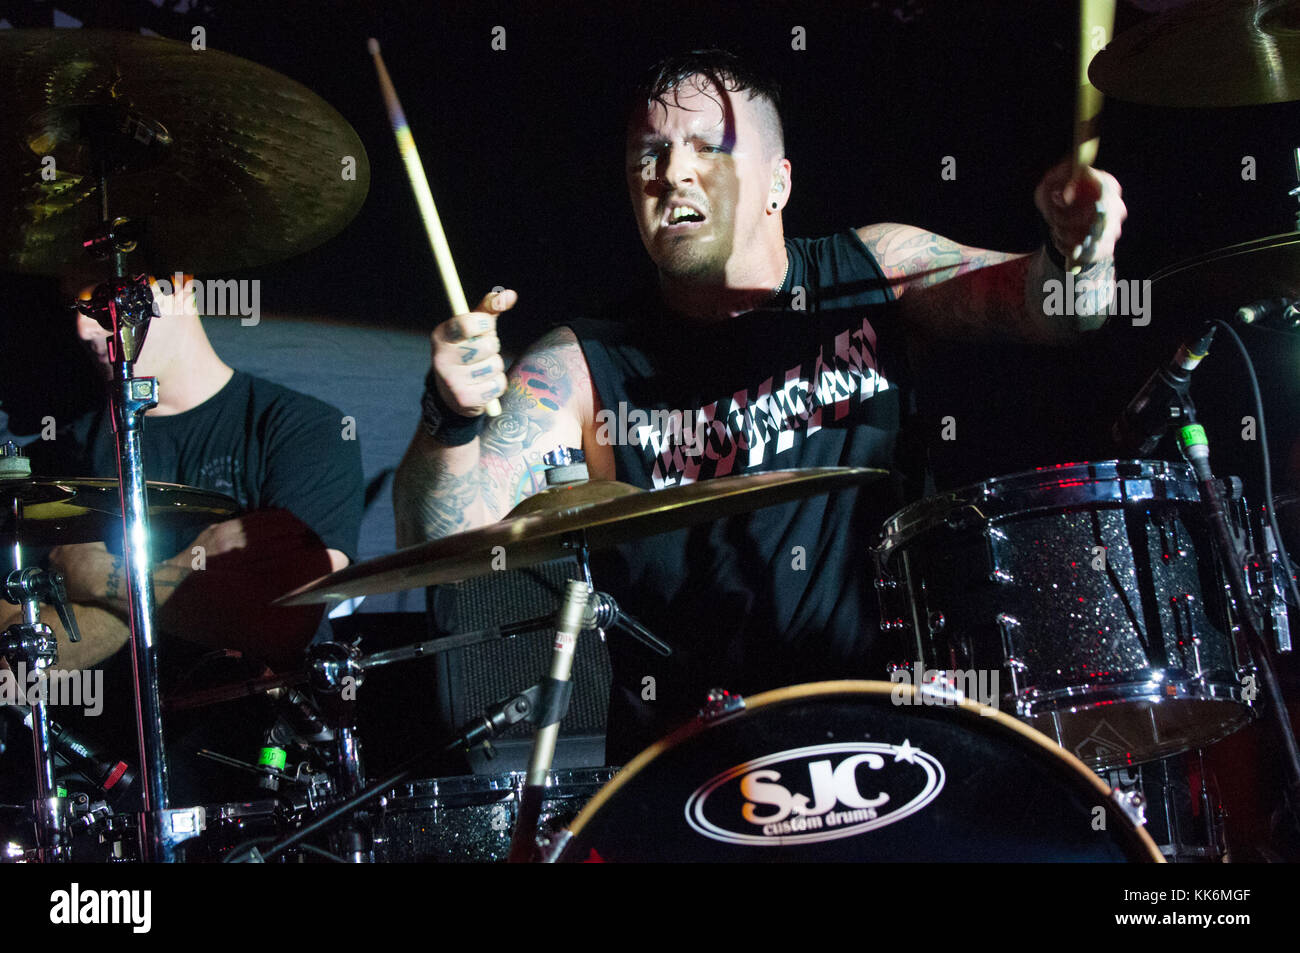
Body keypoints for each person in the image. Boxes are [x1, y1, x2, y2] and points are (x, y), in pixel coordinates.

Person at [392, 49, 1127, 762]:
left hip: (896, 734)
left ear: (777, 185)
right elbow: (446, 540)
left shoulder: (872, 272)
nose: (671, 172)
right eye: (649, 154)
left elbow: (1059, 312)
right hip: (696, 775)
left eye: (708, 146)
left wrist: (1080, 254)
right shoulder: (580, 362)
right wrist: (450, 415)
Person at [1, 271, 363, 802]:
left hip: (256, 783)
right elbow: (11, 647)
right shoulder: (58, 461)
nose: (82, 329)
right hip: (99, 795)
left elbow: (283, 616)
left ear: (181, 287)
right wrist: (192, 588)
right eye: (73, 308)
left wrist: (96, 578)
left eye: (101, 302)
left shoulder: (300, 430)